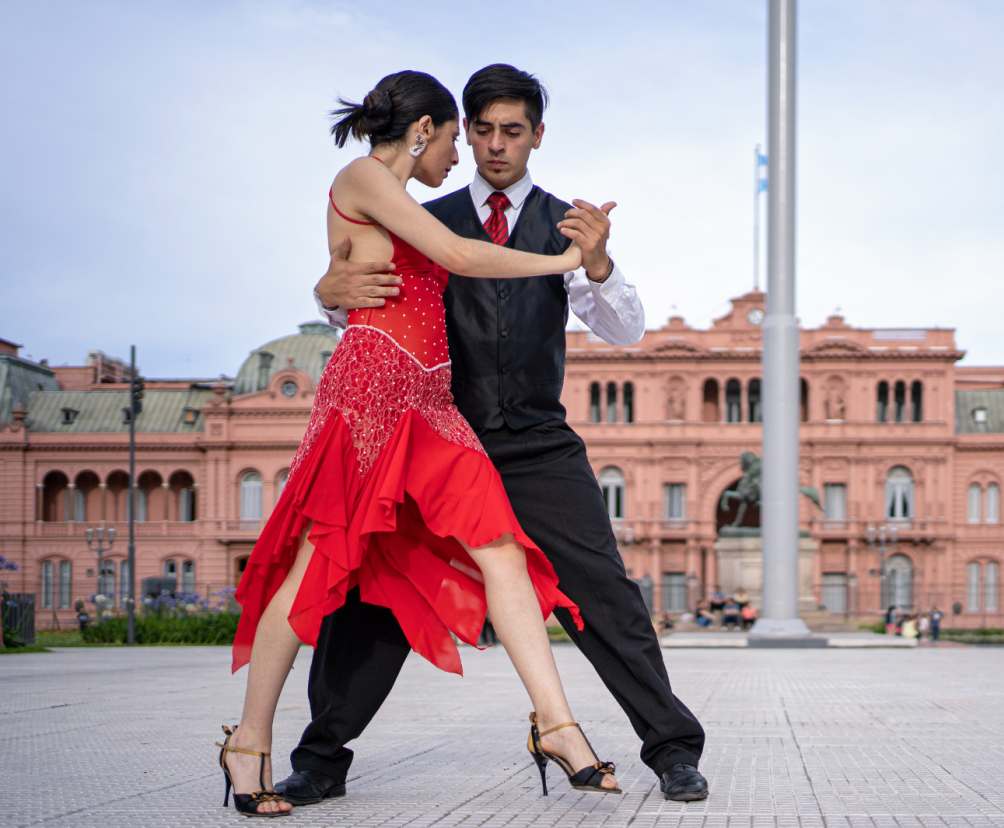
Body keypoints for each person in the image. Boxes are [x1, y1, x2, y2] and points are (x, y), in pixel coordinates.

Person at [285, 66, 709, 806]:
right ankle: (321, 757)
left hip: (537, 442)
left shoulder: (566, 225)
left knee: (605, 592)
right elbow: (360, 292)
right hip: (436, 437)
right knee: (375, 595)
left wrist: (600, 263)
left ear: (538, 135)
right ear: (460, 130)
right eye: (480, 130)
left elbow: (625, 328)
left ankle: (673, 749)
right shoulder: (420, 210)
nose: (494, 145)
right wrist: (327, 290)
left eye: (512, 130)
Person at [217, 71, 621, 817]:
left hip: (430, 404)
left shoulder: (392, 196)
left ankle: (558, 726)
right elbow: (459, 259)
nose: (462, 162)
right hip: (373, 395)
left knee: (501, 548)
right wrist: (564, 263)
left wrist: (328, 283)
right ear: (427, 129)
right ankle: (249, 740)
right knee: (315, 570)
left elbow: (368, 267)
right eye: (454, 143)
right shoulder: (364, 176)